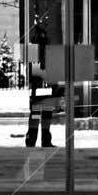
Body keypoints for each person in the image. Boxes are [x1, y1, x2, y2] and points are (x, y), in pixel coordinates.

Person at [24, 15, 55, 148]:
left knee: (36, 115)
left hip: (38, 88)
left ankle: (32, 140)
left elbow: (32, 71)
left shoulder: (34, 51)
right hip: (43, 87)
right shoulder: (46, 51)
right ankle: (43, 140)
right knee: (45, 115)